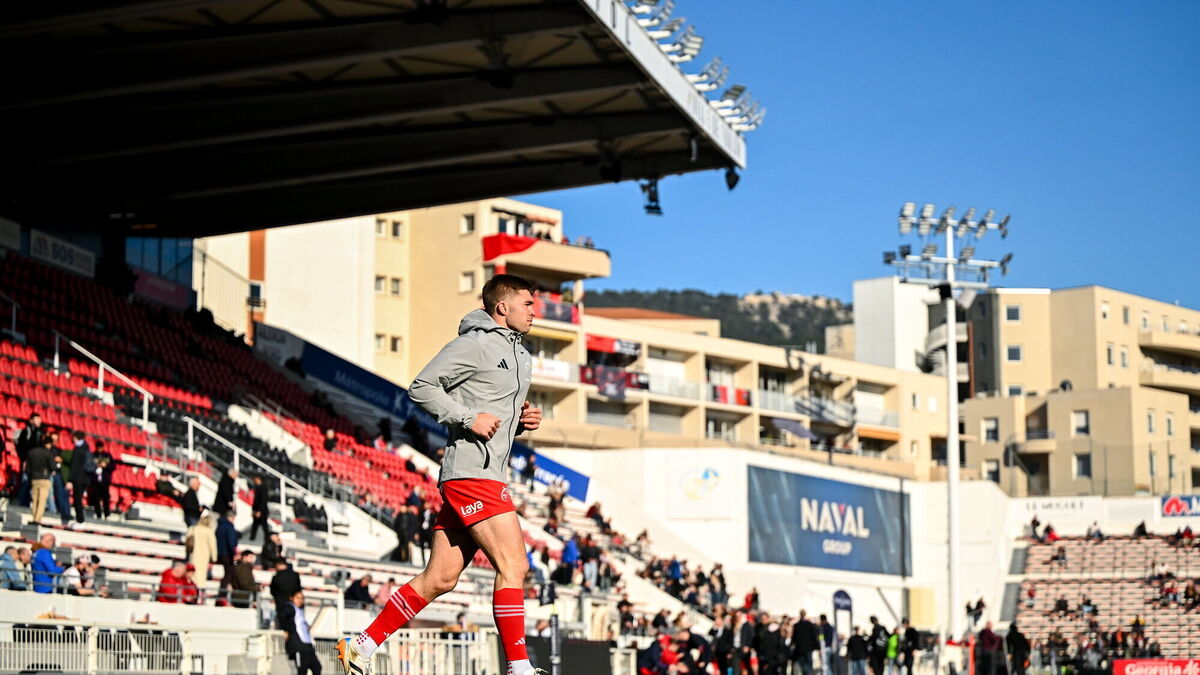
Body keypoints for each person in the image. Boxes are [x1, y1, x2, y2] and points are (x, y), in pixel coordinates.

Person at [336, 274, 543, 675]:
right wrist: (467, 418)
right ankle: (519, 669)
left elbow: (491, 414)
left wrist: (520, 420)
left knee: (440, 578)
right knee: (514, 565)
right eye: (528, 303)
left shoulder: (522, 355)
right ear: (503, 307)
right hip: (471, 475)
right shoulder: (475, 344)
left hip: (488, 474)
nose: (535, 311)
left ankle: (361, 645)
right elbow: (422, 386)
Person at [279, 590, 322, 675]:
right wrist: (286, 630)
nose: (300, 600)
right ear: (291, 598)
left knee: (317, 667)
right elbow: (282, 616)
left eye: (302, 598)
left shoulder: (300, 610)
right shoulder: (289, 607)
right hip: (298, 645)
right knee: (302, 670)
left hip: (307, 645)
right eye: (297, 598)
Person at [14, 412, 45, 502]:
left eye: (39, 419)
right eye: (36, 419)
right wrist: (24, 459)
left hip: (37, 461)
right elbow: (21, 447)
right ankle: (23, 501)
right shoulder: (26, 431)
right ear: (31, 420)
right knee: (25, 480)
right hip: (28, 460)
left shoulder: (41, 432)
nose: (39, 421)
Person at [26, 434, 56, 524]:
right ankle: (37, 519)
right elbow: (53, 467)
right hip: (44, 478)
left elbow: (27, 468)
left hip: (34, 478)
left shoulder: (32, 452)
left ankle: (34, 516)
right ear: (48, 444)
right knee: (42, 500)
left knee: (35, 500)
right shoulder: (48, 453)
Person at [68, 431, 96, 524]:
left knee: (77, 499)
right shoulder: (87, 448)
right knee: (79, 499)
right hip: (85, 478)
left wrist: (70, 480)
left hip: (78, 478)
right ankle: (80, 519)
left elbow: (74, 466)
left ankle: (80, 520)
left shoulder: (78, 449)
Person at [188, 513, 218, 582]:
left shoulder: (193, 529)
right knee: (201, 573)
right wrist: (214, 558)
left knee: (193, 571)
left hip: (193, 553)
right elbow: (212, 545)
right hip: (204, 555)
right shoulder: (209, 531)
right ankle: (199, 589)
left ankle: (192, 587)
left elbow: (188, 540)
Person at [216, 510, 239, 592]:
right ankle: (222, 592)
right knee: (230, 573)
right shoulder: (229, 527)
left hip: (220, 552)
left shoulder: (219, 526)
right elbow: (231, 541)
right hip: (227, 553)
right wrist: (234, 553)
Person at [791, 610, 820, 675]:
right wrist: (817, 647)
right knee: (808, 665)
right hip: (808, 648)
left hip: (801, 649)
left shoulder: (797, 625)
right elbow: (814, 636)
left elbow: (794, 638)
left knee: (803, 666)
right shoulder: (810, 625)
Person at [90, 442, 114, 520]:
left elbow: (113, 466)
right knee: (96, 498)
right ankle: (98, 515)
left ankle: (107, 514)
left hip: (104, 481)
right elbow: (89, 467)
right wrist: (95, 466)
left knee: (105, 498)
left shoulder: (107, 456)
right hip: (95, 481)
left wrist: (105, 466)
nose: (99, 449)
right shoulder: (93, 456)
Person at [249, 475, 270, 541]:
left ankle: (267, 539)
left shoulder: (263, 488)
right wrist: (254, 510)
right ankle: (252, 538)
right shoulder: (257, 487)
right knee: (255, 525)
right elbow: (256, 501)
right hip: (257, 510)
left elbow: (263, 500)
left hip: (261, 511)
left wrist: (259, 511)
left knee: (264, 526)